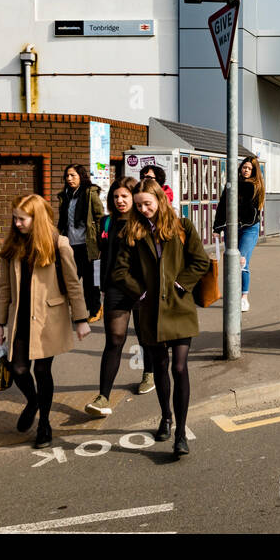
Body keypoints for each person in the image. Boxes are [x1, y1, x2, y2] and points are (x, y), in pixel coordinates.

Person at [114, 179, 210, 458]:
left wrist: (181, 284)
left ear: (160, 199)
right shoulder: (131, 231)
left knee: (179, 368)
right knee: (160, 366)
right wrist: (141, 294)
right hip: (150, 312)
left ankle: (180, 433)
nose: (144, 209)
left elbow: (200, 261)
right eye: (139, 204)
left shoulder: (182, 227)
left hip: (179, 308)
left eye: (148, 203)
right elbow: (120, 272)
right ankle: (165, 417)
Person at [0, 194, 90, 449]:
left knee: (42, 370)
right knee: (18, 369)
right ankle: (34, 401)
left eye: (21, 219)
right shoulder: (12, 245)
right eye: (14, 218)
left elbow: (72, 283)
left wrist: (81, 319)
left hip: (49, 318)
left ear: (36, 219)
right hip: (20, 319)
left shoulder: (59, 244)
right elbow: (5, 288)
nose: (16, 223)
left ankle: (45, 424)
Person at [85, 177, 153, 416]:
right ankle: (103, 397)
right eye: (116, 197)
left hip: (143, 287)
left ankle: (149, 373)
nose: (120, 201)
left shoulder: (143, 222)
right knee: (114, 340)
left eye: (124, 196)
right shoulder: (107, 222)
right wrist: (101, 286)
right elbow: (104, 256)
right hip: (115, 287)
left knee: (145, 336)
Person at [213, 156, 265, 312]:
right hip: (232, 228)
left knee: (241, 261)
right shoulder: (232, 184)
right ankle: (233, 294)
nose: (246, 170)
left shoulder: (255, 187)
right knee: (232, 262)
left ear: (254, 171)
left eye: (249, 168)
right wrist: (217, 228)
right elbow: (222, 206)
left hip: (249, 228)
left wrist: (233, 186)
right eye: (244, 167)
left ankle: (244, 297)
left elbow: (250, 209)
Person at [57, 164, 104, 323]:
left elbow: (99, 217)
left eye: (73, 175)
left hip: (87, 244)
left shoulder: (90, 193)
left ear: (81, 176)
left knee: (90, 282)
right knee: (70, 279)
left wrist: (98, 242)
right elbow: (63, 221)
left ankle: (96, 309)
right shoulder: (66, 195)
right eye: (67, 176)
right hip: (70, 244)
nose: (69, 179)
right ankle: (77, 310)